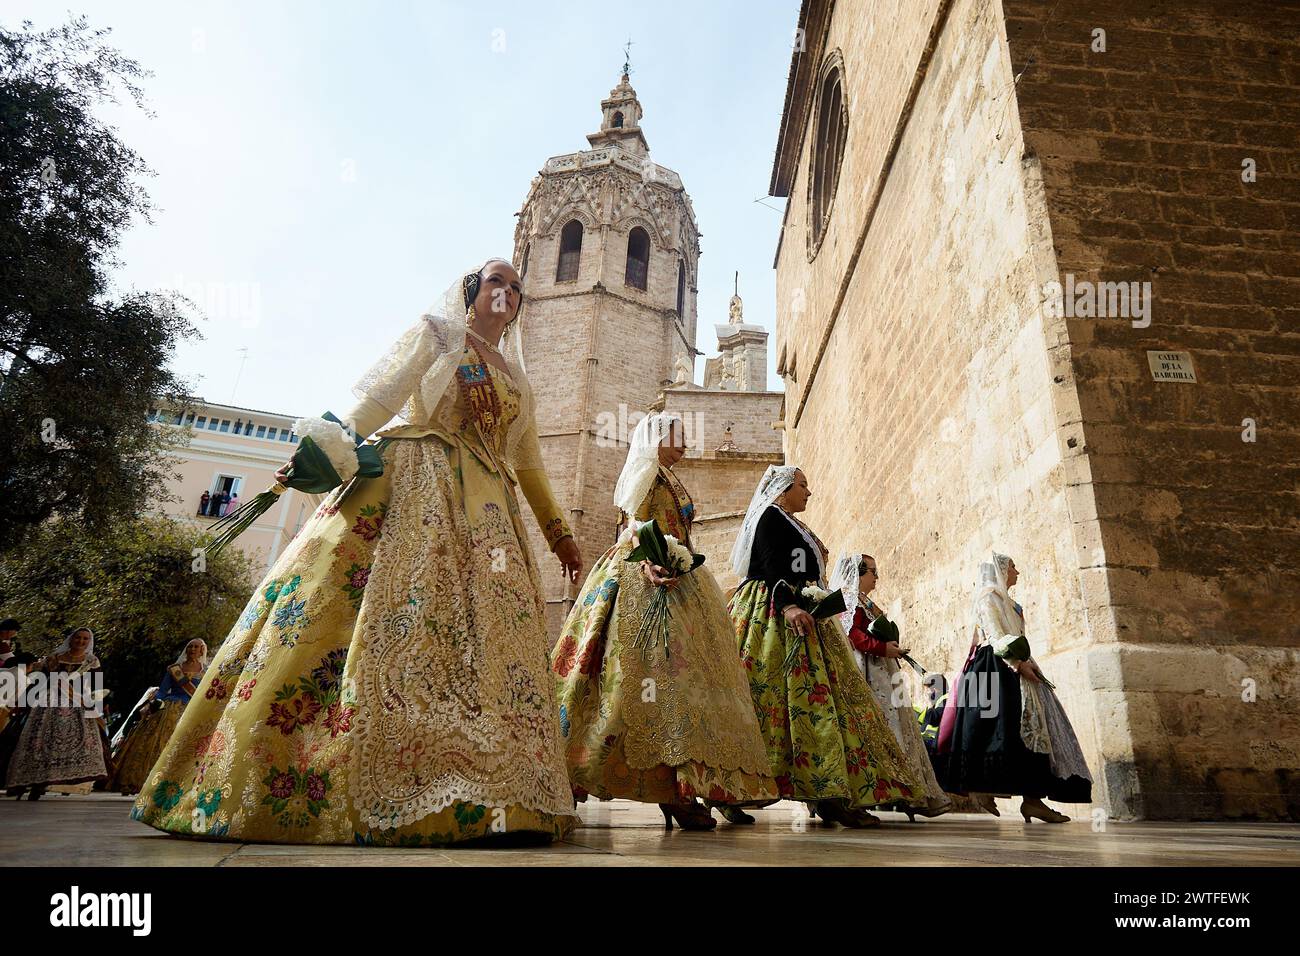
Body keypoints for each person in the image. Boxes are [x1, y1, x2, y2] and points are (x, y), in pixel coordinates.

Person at [132, 259, 584, 846]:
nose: (508, 291)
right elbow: (380, 402)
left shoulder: (518, 379)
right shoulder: (437, 335)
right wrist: (323, 449)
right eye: (496, 280)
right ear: (473, 291)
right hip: (415, 479)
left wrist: (558, 532)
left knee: (490, 644)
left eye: (517, 286)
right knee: (398, 617)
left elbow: (529, 462)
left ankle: (498, 793)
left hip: (492, 511)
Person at [553, 413, 777, 830]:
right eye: (678, 436)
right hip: (646, 574)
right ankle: (588, 773)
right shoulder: (646, 475)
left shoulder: (672, 479)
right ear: (656, 438)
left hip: (682, 578)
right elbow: (634, 526)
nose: (685, 443)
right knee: (638, 675)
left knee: (687, 683)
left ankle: (685, 785)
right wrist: (648, 563)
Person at [725, 466, 920, 828]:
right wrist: (789, 605)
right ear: (783, 489)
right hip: (779, 614)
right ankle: (732, 789)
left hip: (809, 613)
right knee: (769, 700)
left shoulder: (791, 521)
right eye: (802, 485)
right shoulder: (770, 517)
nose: (809, 492)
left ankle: (831, 791)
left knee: (825, 703)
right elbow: (773, 567)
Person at [932, 552, 1093, 822]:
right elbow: (996, 636)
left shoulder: (1010, 603)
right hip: (994, 669)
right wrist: (1018, 664)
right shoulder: (988, 598)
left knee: (1029, 730)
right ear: (1001, 570)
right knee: (997, 730)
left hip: (1015, 666)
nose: (1016, 571)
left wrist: (1024, 662)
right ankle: (986, 789)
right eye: (1013, 567)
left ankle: (1032, 800)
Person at [829, 552, 951, 820]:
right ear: (858, 573)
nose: (877, 577)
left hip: (882, 671)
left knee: (899, 728)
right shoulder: (848, 597)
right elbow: (853, 635)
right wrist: (882, 647)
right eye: (873, 571)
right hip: (867, 672)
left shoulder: (865, 600)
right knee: (878, 729)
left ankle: (909, 792)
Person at [6, 627, 108, 799]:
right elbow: (38, 681)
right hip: (48, 705)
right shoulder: (54, 658)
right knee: (39, 742)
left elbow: (96, 685)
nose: (81, 641)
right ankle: (30, 782)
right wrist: (22, 702)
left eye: (85, 639)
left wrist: (97, 707)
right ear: (71, 639)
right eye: (78, 637)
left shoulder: (92, 661)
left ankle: (44, 783)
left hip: (77, 704)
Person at [108, 639, 208, 795]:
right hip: (170, 707)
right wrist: (153, 704)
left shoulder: (206, 671)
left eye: (196, 647)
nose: (193, 649)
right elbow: (162, 690)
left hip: (192, 708)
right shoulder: (175, 669)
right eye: (190, 646)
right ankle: (138, 782)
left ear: (202, 650)